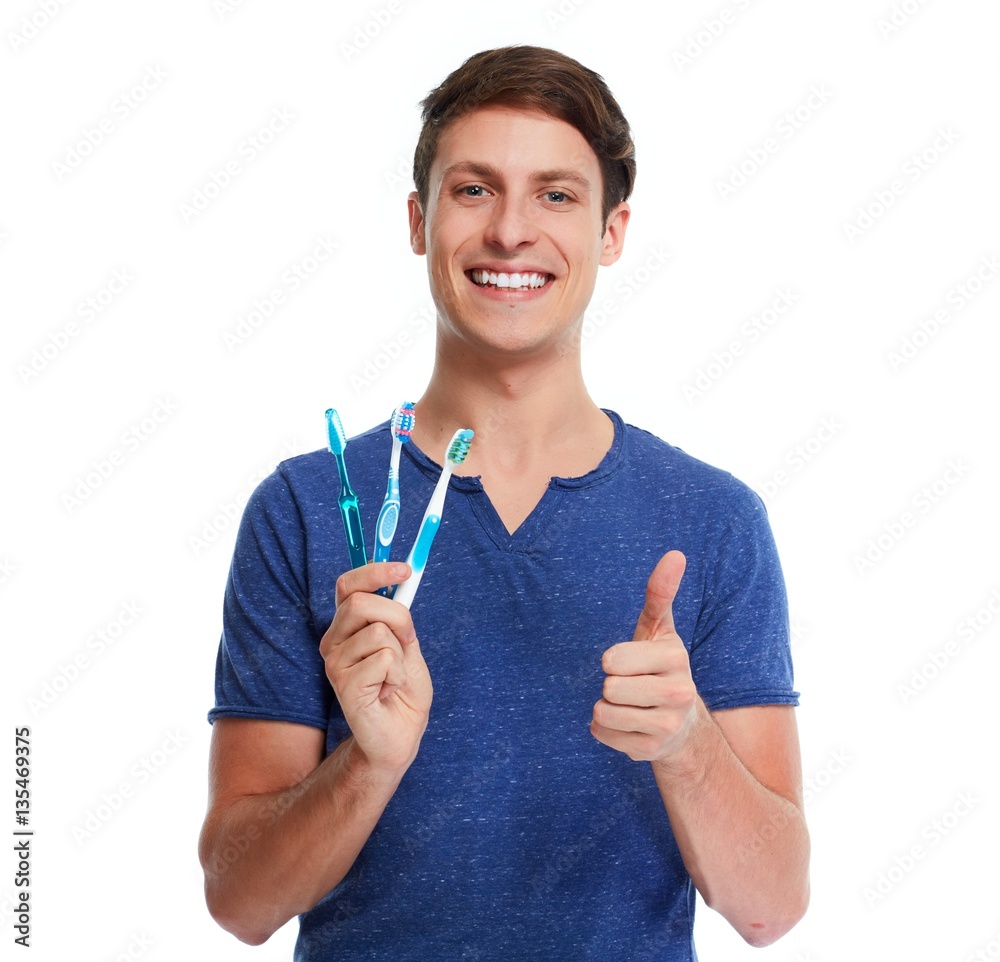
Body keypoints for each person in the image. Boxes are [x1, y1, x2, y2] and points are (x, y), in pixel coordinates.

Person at [199, 45, 810, 961]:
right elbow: (239, 904)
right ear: (419, 219)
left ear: (612, 232)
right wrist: (368, 761)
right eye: (474, 190)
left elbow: (771, 908)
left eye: (557, 195)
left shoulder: (714, 522)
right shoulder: (304, 509)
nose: (511, 233)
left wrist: (687, 745)